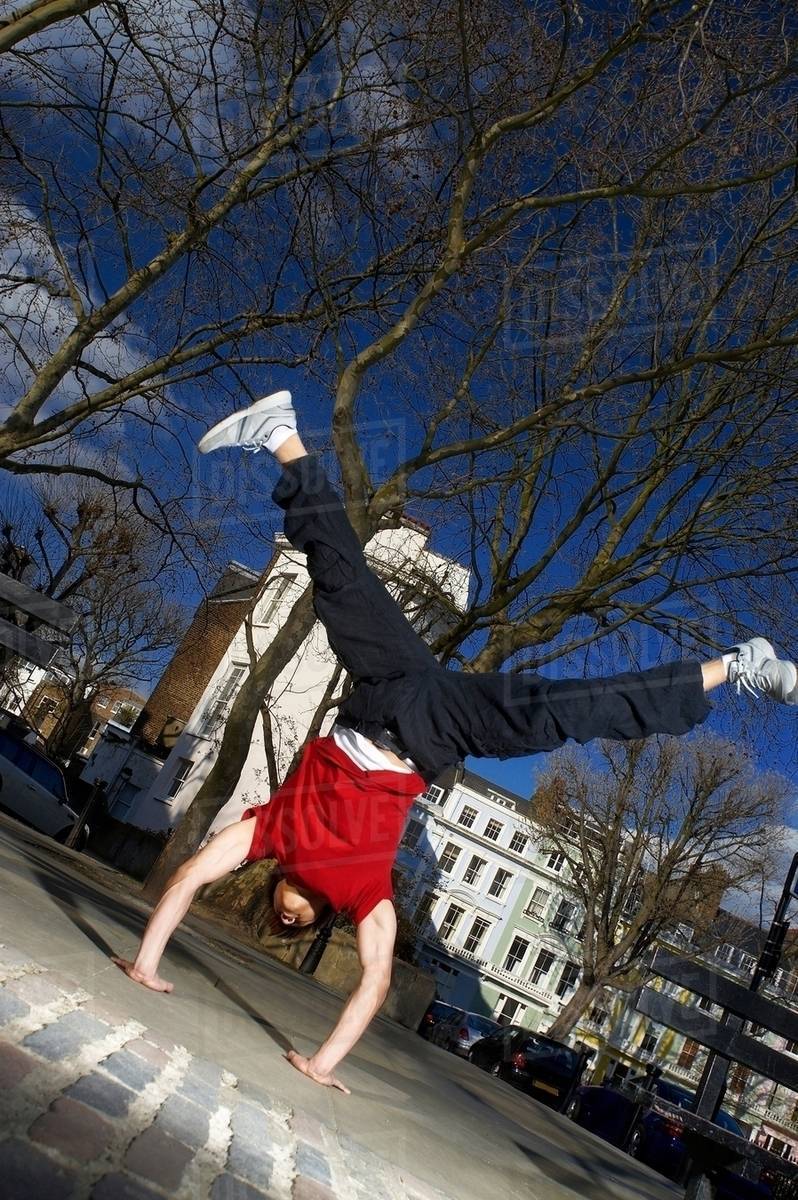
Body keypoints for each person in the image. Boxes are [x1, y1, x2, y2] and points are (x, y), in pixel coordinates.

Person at [113, 389, 797, 1092]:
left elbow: (193, 874)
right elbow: (374, 982)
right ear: (317, 919)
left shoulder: (268, 835)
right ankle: (736, 667)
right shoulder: (368, 896)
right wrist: (321, 1066)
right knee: (567, 710)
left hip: (381, 690)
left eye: (280, 910)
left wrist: (147, 961)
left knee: (340, 577)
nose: (289, 912)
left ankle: (279, 434)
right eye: (297, 923)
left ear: (278, 888)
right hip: (435, 733)